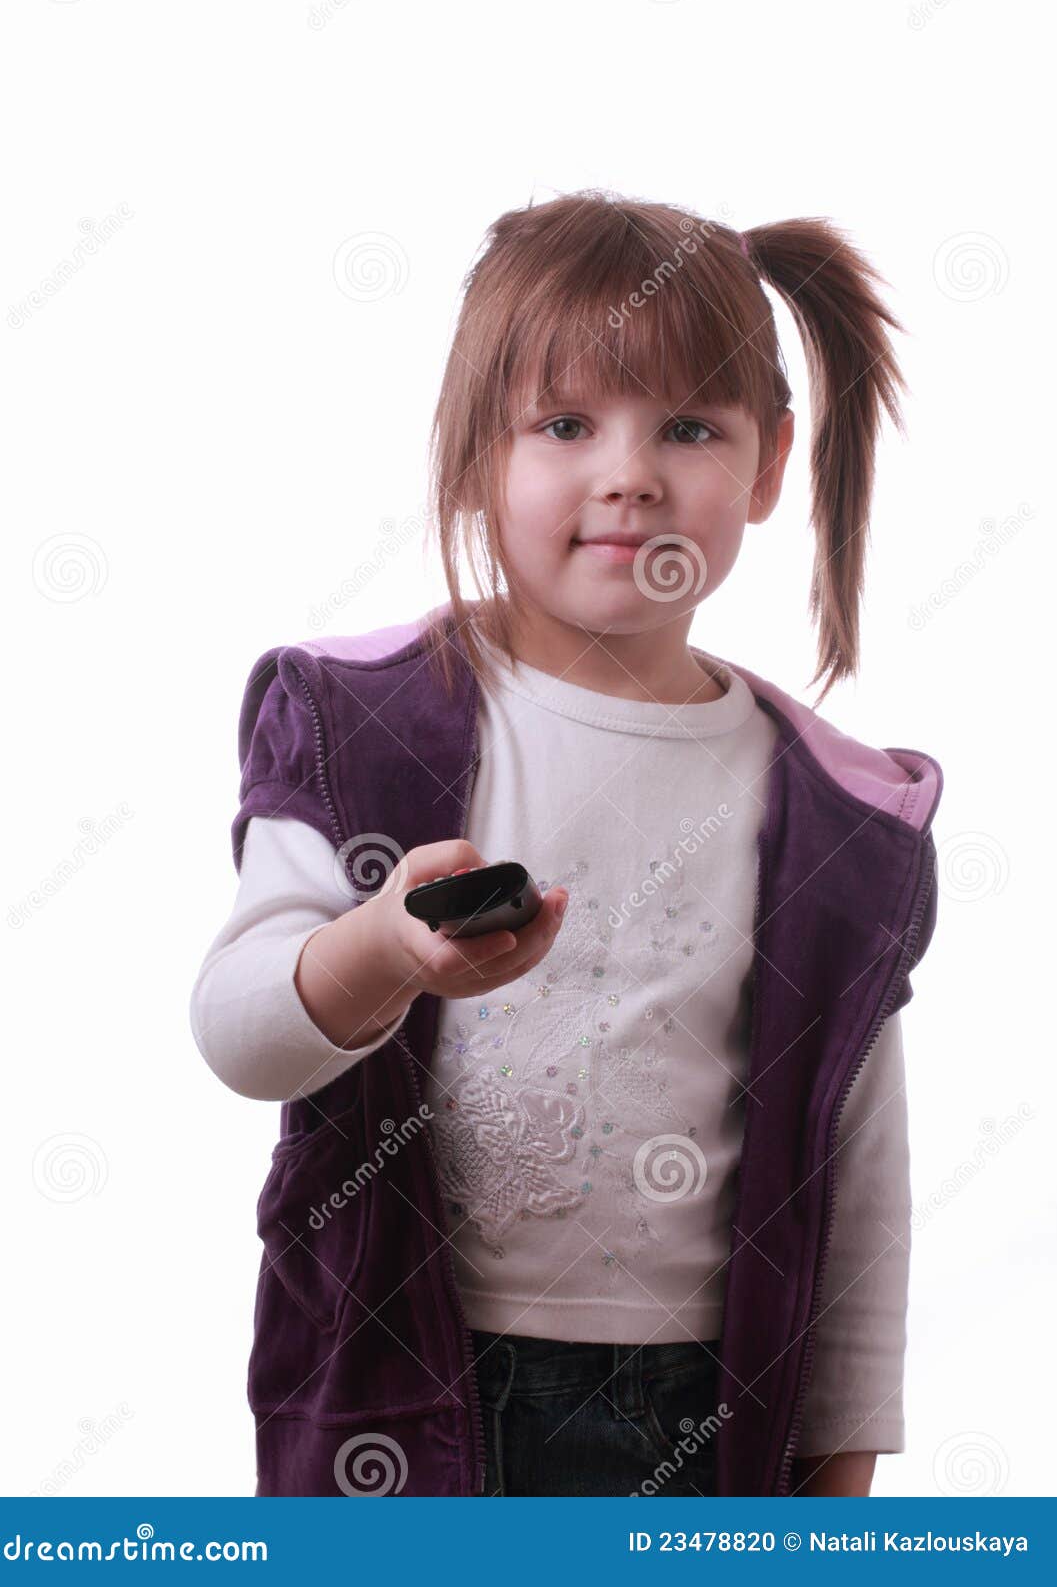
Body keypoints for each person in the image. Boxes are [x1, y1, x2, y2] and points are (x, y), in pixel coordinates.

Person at [190, 192, 943, 1498]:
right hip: (405, 1396)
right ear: (476, 449)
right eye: (565, 424)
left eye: (689, 428)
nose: (629, 474)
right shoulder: (360, 725)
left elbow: (857, 1173)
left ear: (768, 464)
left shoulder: (834, 811)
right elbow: (240, 1035)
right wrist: (384, 949)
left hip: (704, 1417)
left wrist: (839, 1484)